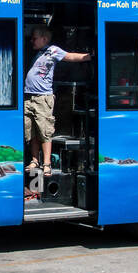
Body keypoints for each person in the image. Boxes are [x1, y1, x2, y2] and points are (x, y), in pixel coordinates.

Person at [24, 26, 91, 179]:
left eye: (34, 38)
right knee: (31, 131)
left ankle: (46, 163)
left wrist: (89, 56)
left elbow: (71, 57)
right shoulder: (32, 54)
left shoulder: (52, 50)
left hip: (43, 98)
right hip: (28, 97)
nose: (31, 41)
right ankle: (35, 160)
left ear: (44, 39)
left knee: (44, 131)